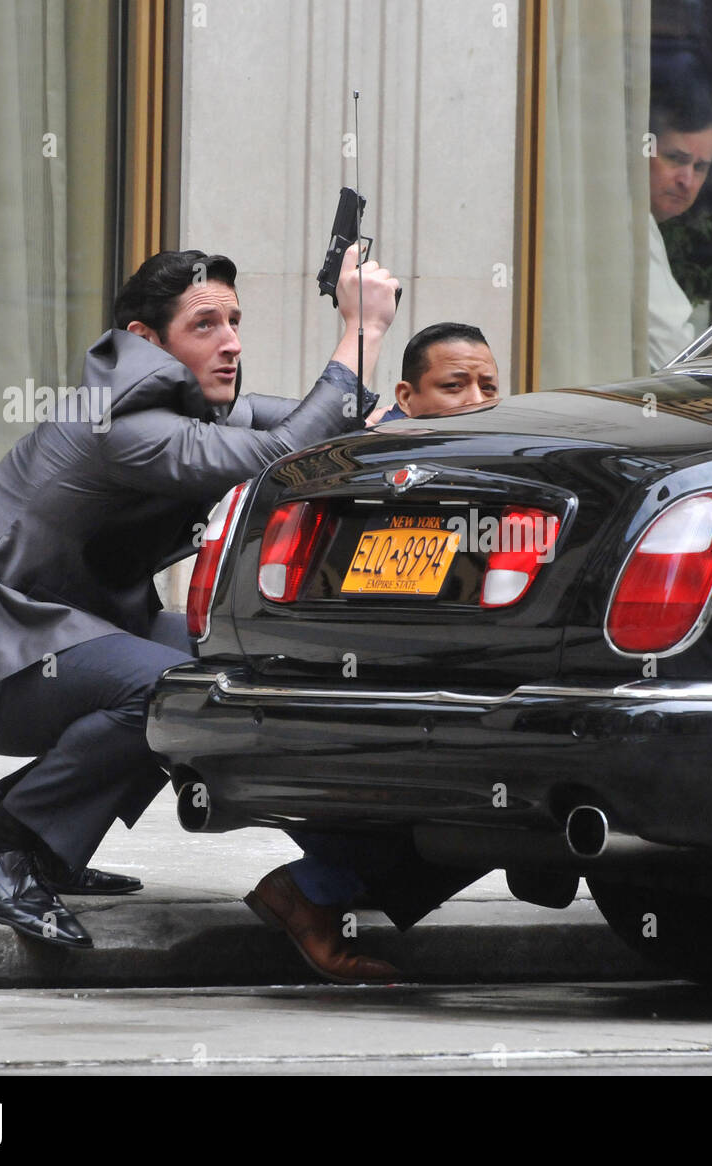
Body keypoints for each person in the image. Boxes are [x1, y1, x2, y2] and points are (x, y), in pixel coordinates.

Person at [0, 244, 399, 950]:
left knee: (232, 666)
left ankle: (42, 840)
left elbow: (323, 434)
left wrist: (432, 426)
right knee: (171, 689)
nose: (230, 343)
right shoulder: (120, 428)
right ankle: (3, 839)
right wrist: (362, 333)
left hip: (54, 643)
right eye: (204, 326)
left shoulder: (189, 417)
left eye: (234, 321)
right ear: (144, 342)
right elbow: (279, 451)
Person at [244, 321, 502, 984]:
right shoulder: (372, 476)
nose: (476, 398)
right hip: (334, 704)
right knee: (500, 789)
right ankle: (316, 890)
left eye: (489, 385)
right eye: (455, 385)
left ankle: (321, 887)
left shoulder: (492, 484)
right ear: (406, 397)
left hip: (395, 711)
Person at [647, 87, 712, 371]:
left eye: (700, 167)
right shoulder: (627, 223)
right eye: (676, 159)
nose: (686, 180)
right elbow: (675, 359)